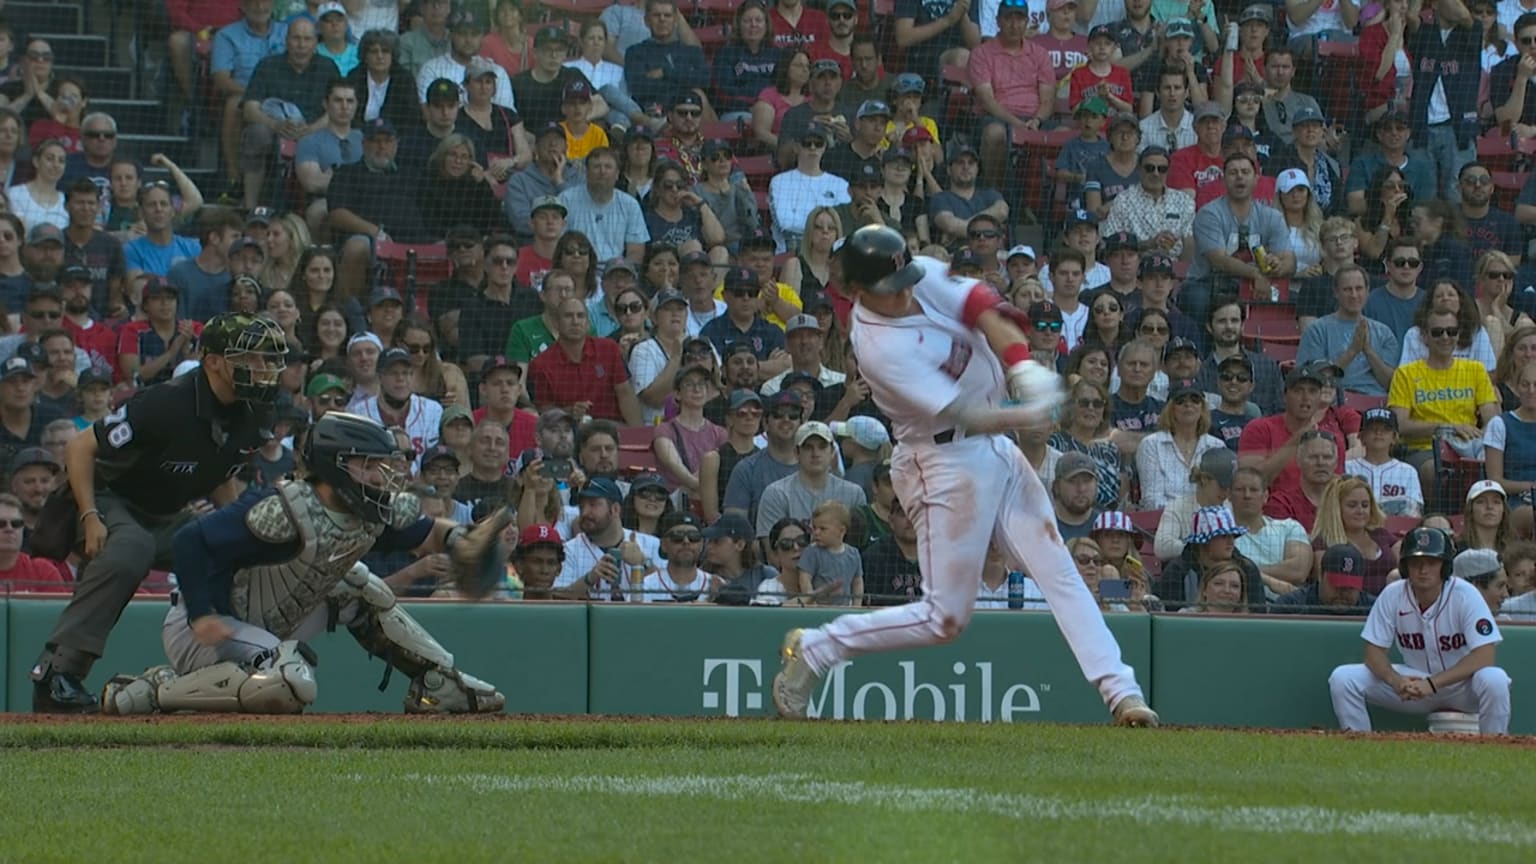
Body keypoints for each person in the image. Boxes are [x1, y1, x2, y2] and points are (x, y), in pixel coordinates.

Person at [771, 224, 1157, 727]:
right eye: (891, 289)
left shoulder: (919, 273)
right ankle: (817, 648)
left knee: (1056, 567)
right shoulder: (876, 347)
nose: (907, 291)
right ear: (861, 292)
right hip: (942, 463)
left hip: (994, 449)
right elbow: (965, 412)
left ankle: (1121, 693)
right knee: (944, 619)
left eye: (906, 278)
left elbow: (983, 308)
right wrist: (1027, 412)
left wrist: (1021, 368)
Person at [99, 411, 507, 716]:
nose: (381, 476)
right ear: (335, 465)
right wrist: (205, 614)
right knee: (290, 686)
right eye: (367, 465)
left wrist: (459, 540)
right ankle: (157, 690)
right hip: (208, 629)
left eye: (381, 465)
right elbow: (191, 541)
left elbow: (425, 532)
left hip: (272, 619)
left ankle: (438, 683)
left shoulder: (363, 508)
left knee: (359, 584)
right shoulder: (278, 509)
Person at [30, 314, 289, 713]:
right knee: (132, 546)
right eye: (252, 357)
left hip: (169, 513)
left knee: (246, 550)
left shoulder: (258, 412)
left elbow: (223, 474)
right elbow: (81, 447)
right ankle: (57, 673)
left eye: (270, 359)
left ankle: (237, 666)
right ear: (214, 360)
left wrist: (237, 530)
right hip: (110, 495)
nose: (265, 368)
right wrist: (90, 516)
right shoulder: (167, 402)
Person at [1328, 527, 1511, 735]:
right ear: (1405, 567)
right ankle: (1358, 748)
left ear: (1444, 566)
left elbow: (1484, 656)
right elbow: (1373, 652)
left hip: (1462, 686)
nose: (1423, 570)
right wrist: (1395, 680)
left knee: (1494, 679)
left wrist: (1432, 684)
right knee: (1343, 678)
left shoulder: (1465, 595)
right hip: (1413, 685)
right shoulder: (1392, 594)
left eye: (1432, 562)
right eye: (1416, 563)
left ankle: (1493, 744)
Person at [1388, 305, 1500, 496]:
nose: (1445, 337)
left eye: (1451, 331)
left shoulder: (1475, 370)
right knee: (1433, 470)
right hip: (1424, 449)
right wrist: (1446, 427)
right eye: (1437, 332)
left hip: (1470, 447)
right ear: (1425, 337)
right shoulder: (1406, 374)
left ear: (1458, 335)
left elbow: (1491, 419)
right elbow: (1399, 424)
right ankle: (1434, 519)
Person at [1347, 407, 1423, 517]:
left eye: (1386, 429)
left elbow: (1413, 513)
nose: (1379, 433)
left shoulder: (1408, 471)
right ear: (1361, 437)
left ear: (1394, 438)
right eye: (1372, 428)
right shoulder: (1348, 468)